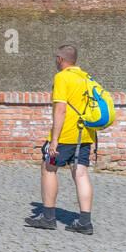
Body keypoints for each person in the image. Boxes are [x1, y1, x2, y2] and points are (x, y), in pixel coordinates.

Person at [25, 45, 96, 235]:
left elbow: (61, 109)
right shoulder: (87, 77)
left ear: (59, 59)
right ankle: (84, 221)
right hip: (85, 133)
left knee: (48, 168)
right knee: (80, 173)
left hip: (66, 134)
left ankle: (48, 217)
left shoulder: (62, 77)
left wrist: (54, 140)